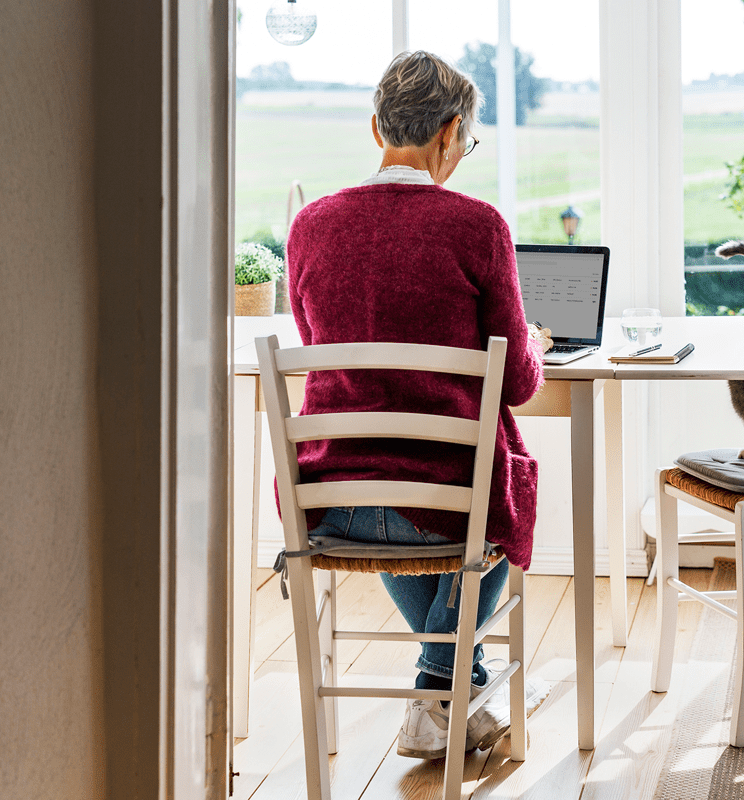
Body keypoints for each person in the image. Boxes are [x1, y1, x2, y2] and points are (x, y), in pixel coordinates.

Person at [285, 50, 553, 760]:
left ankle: (448, 699)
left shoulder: (309, 225)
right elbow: (518, 384)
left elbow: (317, 344)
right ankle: (439, 694)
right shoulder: (478, 226)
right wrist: (534, 345)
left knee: (449, 502)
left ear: (378, 129)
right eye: (467, 140)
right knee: (503, 494)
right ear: (451, 132)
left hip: (332, 497)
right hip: (439, 502)